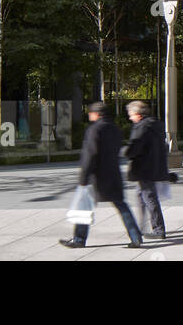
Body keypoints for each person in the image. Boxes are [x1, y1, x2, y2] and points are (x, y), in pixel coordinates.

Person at [58, 102, 142, 249]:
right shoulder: (115, 129)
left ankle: (79, 239)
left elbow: (90, 155)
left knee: (84, 207)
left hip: (96, 176)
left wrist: (83, 177)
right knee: (122, 206)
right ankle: (136, 237)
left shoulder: (94, 129)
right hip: (113, 173)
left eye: (90, 113)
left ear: (96, 114)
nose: (89, 115)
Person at [123, 100, 169, 239]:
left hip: (144, 168)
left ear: (138, 114)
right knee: (141, 195)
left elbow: (135, 148)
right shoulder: (156, 124)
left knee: (149, 198)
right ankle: (142, 226)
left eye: (131, 114)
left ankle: (159, 230)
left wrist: (125, 152)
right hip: (154, 166)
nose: (130, 117)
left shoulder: (141, 127)